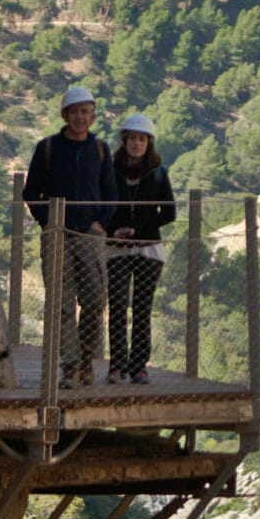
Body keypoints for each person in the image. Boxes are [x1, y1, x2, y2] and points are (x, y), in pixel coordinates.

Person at [22, 84, 115, 386]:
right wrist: (48, 222)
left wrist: (101, 223)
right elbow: (31, 191)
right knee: (61, 303)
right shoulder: (47, 148)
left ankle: (87, 359)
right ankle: (71, 366)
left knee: (95, 300)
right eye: (74, 112)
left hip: (90, 235)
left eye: (85, 112)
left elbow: (111, 192)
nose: (79, 117)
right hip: (57, 234)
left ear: (92, 116)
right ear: (65, 115)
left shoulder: (100, 150)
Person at [106, 114, 176, 384]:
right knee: (117, 308)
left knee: (142, 309)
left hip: (148, 249)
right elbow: (104, 205)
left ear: (150, 142)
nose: (137, 144)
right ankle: (116, 365)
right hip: (117, 248)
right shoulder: (110, 170)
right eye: (132, 138)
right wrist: (114, 230)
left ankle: (138, 367)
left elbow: (168, 213)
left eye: (142, 139)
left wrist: (138, 228)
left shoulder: (158, 173)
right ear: (124, 141)